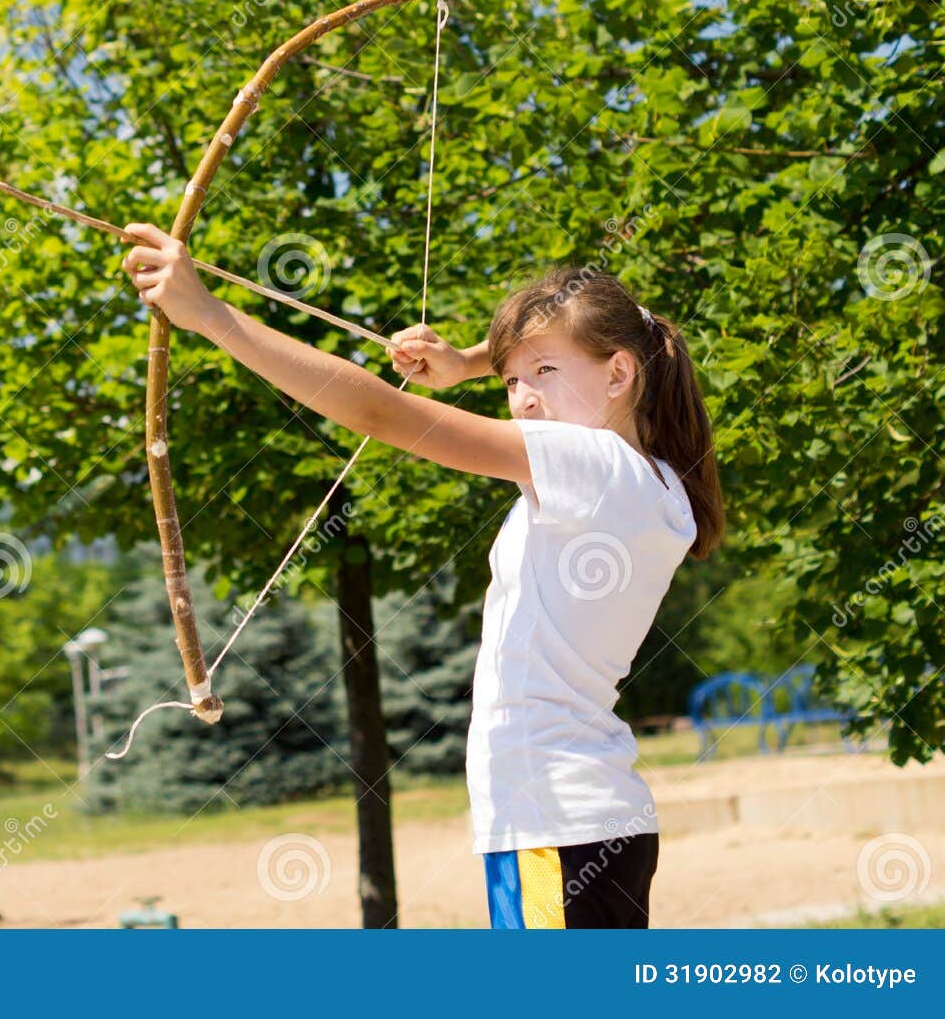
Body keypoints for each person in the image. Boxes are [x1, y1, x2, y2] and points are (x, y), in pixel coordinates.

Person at [118, 223, 725, 929]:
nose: (522, 398)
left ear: (620, 373)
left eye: (544, 374)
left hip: (556, 825)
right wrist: (471, 363)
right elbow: (550, 365)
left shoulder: (590, 466)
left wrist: (211, 315)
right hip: (583, 822)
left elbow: (382, 411)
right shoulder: (656, 486)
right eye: (510, 381)